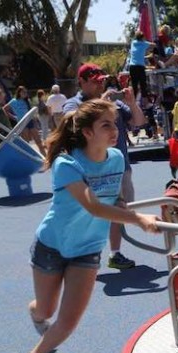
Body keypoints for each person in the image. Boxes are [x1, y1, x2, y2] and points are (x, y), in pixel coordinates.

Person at [23, 99, 159, 353]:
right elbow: (94, 207)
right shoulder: (67, 163)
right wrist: (137, 219)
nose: (115, 130)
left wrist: (125, 205)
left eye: (116, 124)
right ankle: (35, 311)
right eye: (106, 125)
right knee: (46, 311)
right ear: (87, 132)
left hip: (87, 249)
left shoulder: (117, 158)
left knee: (68, 321)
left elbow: (114, 198)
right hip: (52, 246)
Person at [63, 63, 147, 270]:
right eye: (95, 82)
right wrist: (100, 104)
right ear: (81, 82)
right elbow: (70, 124)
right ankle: (82, 254)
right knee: (87, 214)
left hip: (117, 166)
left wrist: (132, 102)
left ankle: (115, 254)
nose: (100, 85)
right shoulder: (73, 104)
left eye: (101, 81)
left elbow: (139, 121)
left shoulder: (114, 105)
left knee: (118, 209)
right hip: (88, 170)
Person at [5, 86, 47, 156]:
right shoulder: (14, 101)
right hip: (22, 123)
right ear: (19, 92)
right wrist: (13, 117)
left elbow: (31, 112)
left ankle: (46, 158)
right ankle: (29, 158)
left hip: (30, 121)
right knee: (26, 143)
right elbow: (5, 109)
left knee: (38, 141)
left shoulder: (27, 101)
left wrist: (35, 122)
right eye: (23, 92)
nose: (25, 93)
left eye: (26, 92)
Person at [128, 30, 154, 102]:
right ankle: (145, 103)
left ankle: (133, 102)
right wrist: (149, 48)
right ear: (143, 38)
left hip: (132, 66)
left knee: (134, 85)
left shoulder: (133, 43)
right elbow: (154, 45)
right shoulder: (144, 43)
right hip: (140, 66)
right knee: (143, 85)